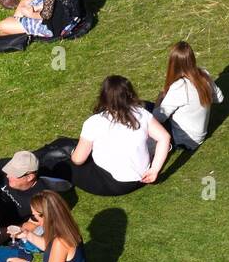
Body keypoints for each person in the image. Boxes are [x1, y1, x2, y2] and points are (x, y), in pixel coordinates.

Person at [34, 75, 171, 195]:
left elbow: (78, 160)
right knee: (65, 144)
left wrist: (73, 153)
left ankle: (35, 170)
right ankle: (33, 160)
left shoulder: (94, 122)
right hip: (141, 177)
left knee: (63, 158)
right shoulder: (141, 113)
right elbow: (164, 137)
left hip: (113, 182)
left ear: (103, 97)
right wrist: (154, 170)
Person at [153, 41, 225, 151]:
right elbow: (219, 98)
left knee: (144, 113)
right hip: (199, 134)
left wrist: (160, 97)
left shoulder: (180, 87)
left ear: (173, 63)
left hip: (183, 138)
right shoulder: (204, 74)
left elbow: (157, 118)